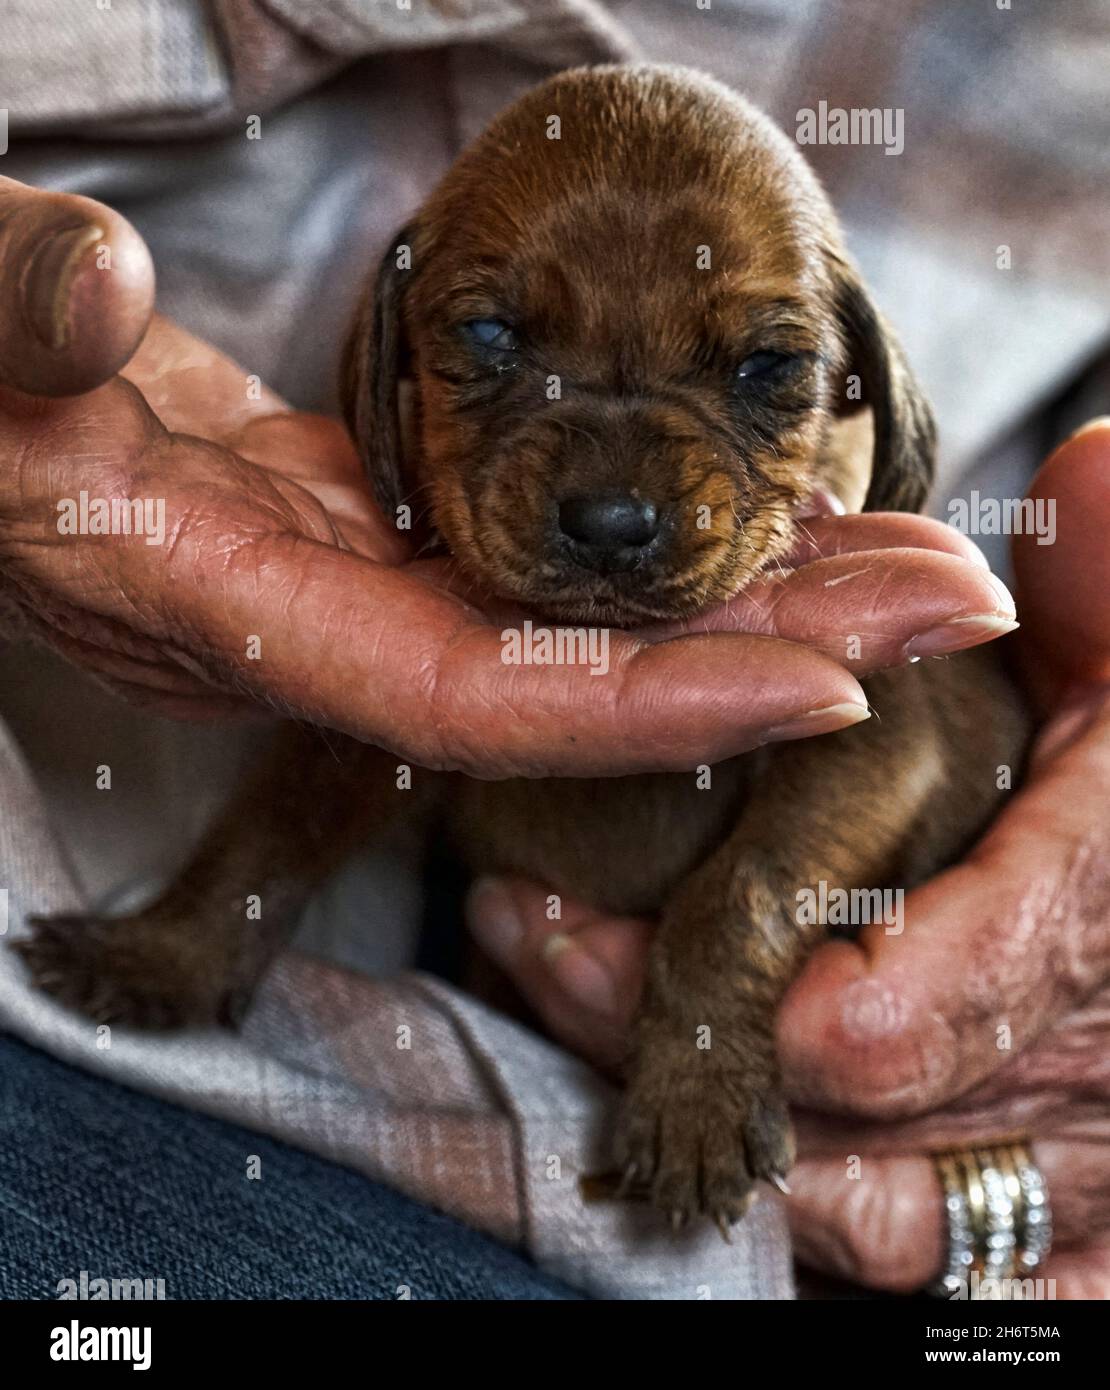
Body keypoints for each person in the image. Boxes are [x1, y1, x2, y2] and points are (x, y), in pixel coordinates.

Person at [1, 0, 1107, 1298]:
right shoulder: (400, 557)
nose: (612, 501)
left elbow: (877, 758)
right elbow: (357, 751)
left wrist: (717, 994)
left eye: (757, 371)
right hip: (273, 1039)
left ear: (869, 389)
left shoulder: (862, 586)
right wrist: (200, 931)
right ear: (383, 359)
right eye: (488, 343)